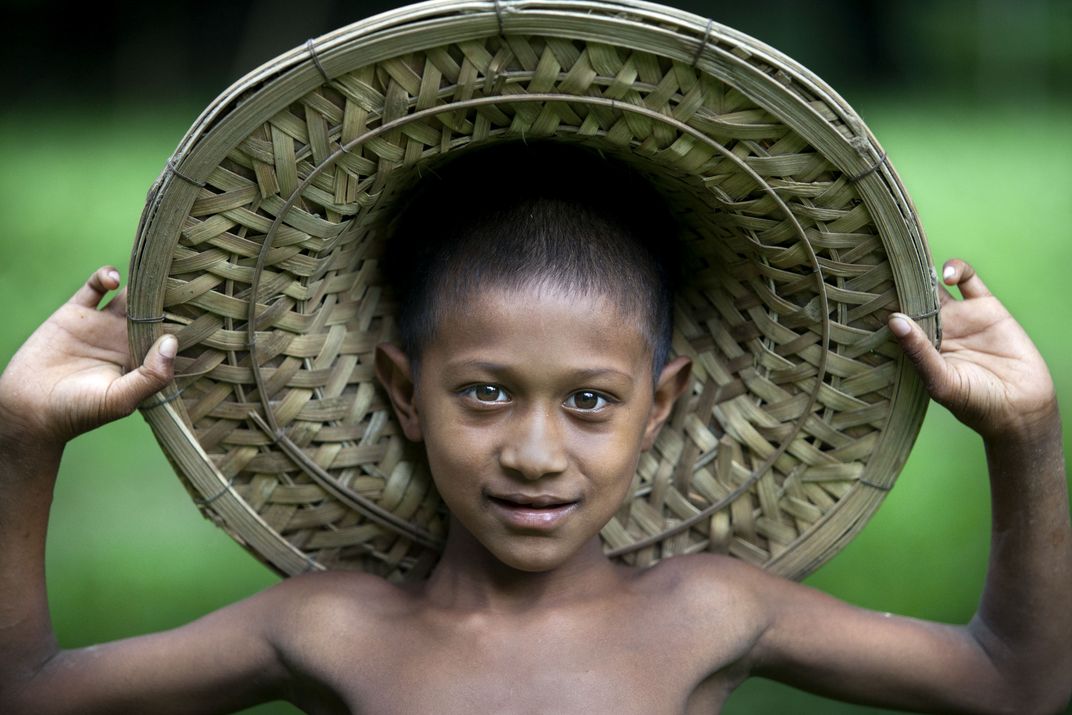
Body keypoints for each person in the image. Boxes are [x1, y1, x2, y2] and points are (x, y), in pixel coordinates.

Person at [0, 149, 1069, 714]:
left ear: (663, 403)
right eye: (486, 393)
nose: (535, 451)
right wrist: (21, 438)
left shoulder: (706, 612)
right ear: (402, 392)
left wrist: (1023, 437)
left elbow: (1014, 685)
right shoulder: (329, 628)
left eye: (591, 401)